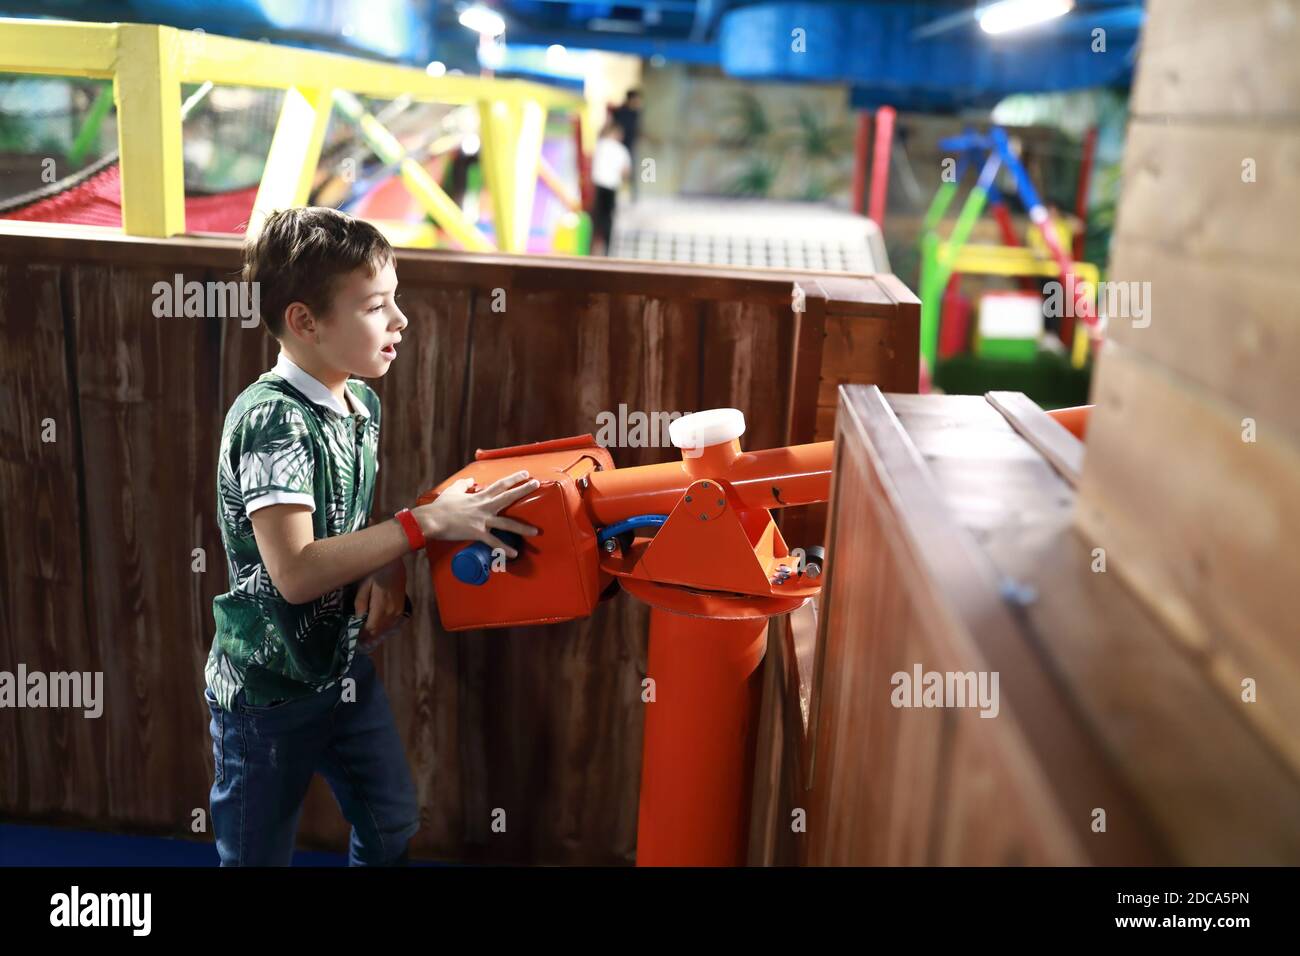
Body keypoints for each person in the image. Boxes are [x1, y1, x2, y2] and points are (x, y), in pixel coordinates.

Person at [204, 206, 538, 865]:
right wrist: (419, 526)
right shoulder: (273, 418)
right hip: (268, 692)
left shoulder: (360, 403)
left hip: (341, 669)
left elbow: (344, 528)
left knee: (391, 823)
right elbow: (295, 572)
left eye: (396, 301)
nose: (400, 321)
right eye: (376, 306)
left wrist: (381, 568)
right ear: (305, 322)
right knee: (255, 858)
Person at [590, 120, 631, 256]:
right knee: (607, 219)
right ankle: (606, 250)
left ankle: (591, 247)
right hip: (611, 186)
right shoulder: (621, 150)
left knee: (595, 217)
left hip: (596, 185)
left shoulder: (599, 145)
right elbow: (625, 172)